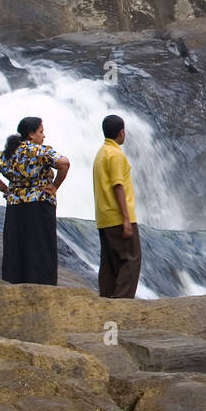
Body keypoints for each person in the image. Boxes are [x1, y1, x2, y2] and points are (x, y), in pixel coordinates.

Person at [0, 116, 69, 286]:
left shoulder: (7, 153)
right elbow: (64, 163)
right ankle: (42, 285)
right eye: (41, 132)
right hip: (40, 204)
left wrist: (6, 189)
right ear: (31, 134)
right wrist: (55, 186)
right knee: (41, 246)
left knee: (17, 246)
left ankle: (14, 284)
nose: (44, 136)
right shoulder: (39, 151)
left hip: (15, 206)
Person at [93, 114, 140, 299]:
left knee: (109, 262)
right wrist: (126, 219)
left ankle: (106, 298)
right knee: (131, 259)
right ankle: (122, 302)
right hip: (118, 216)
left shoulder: (101, 153)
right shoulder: (116, 155)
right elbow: (118, 185)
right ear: (121, 132)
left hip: (104, 217)